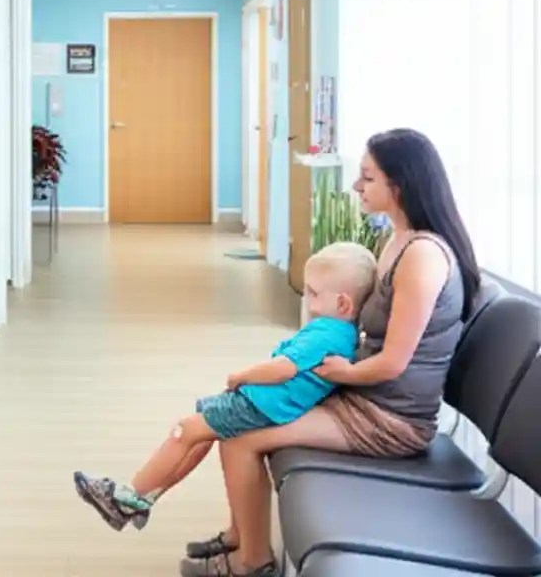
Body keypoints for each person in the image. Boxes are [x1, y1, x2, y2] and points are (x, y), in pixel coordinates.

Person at [176, 128, 480, 577]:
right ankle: (244, 538)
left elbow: (393, 362)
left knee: (241, 436)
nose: (357, 186)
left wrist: (335, 372)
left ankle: (253, 563)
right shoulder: (398, 240)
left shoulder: (423, 256)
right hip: (371, 396)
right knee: (239, 418)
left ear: (400, 185)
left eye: (367, 178)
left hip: (392, 419)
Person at [72, 241, 377, 533]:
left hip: (259, 405)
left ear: (342, 303)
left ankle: (127, 498)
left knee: (184, 430)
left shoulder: (325, 333)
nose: (307, 300)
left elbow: (283, 368)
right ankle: (143, 499)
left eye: (313, 293)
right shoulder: (344, 335)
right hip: (267, 405)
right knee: (199, 436)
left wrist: (242, 375)